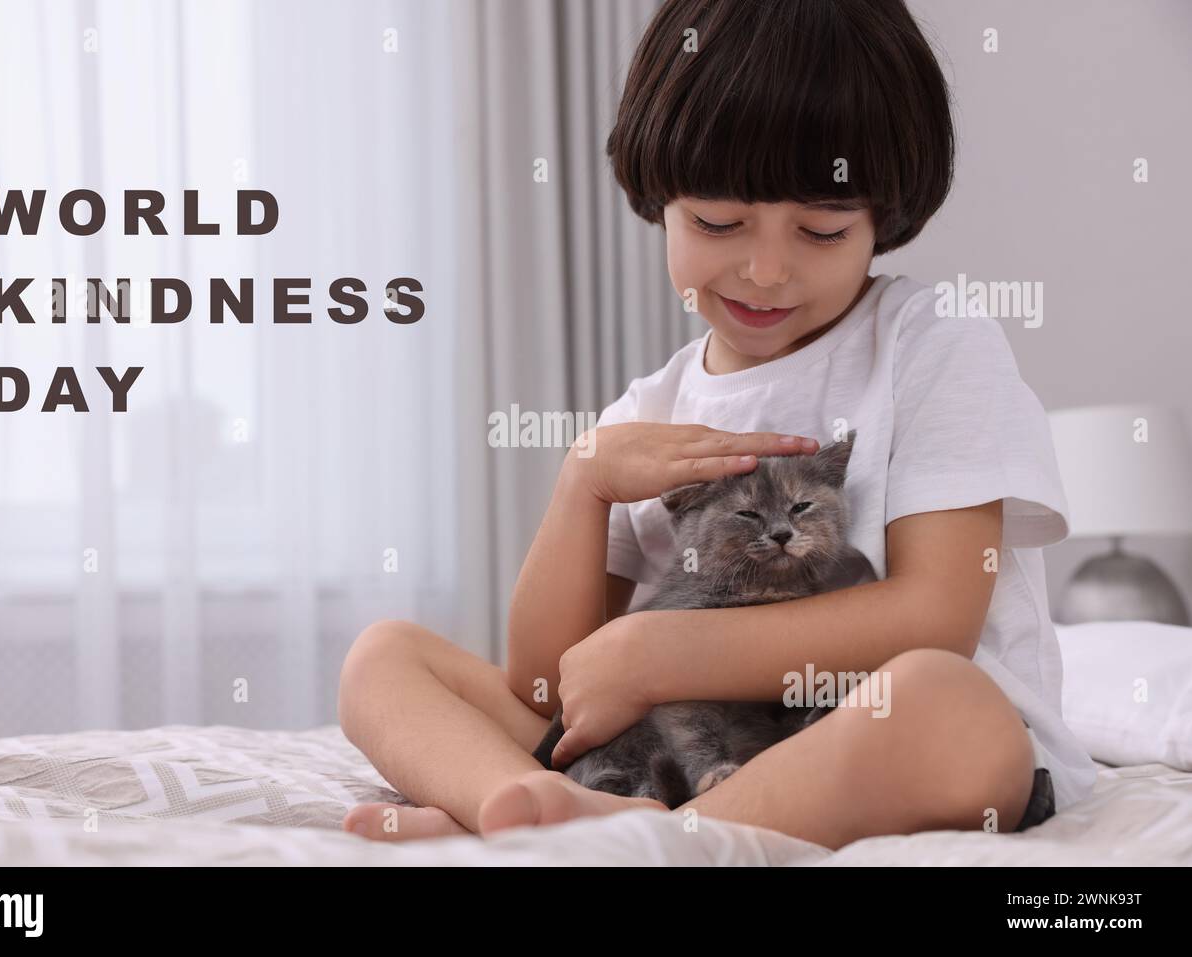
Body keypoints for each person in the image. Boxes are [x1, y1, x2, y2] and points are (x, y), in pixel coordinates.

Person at [337, 0, 1096, 848]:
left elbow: (936, 616)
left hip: (871, 740)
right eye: (718, 223)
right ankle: (526, 804)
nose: (767, 269)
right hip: (667, 756)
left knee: (947, 705)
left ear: (884, 217)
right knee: (384, 657)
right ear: (659, 198)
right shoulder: (651, 411)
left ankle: (626, 837)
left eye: (822, 229)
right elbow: (553, 691)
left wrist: (656, 656)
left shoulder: (933, 343)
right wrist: (583, 481)